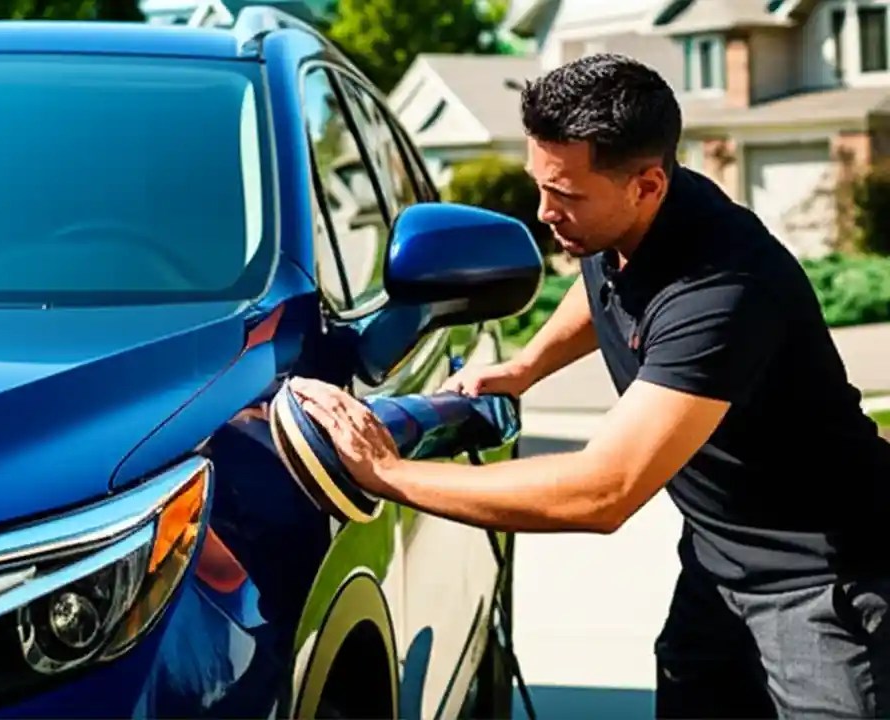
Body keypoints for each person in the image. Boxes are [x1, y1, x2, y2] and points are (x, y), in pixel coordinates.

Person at [289, 52, 890, 718]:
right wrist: (528, 366)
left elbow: (603, 491)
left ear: (647, 185)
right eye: (540, 185)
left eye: (567, 196)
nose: (545, 213)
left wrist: (389, 475)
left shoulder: (724, 291)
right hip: (719, 565)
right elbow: (605, 282)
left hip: (828, 586)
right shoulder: (634, 216)